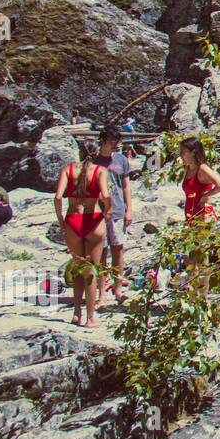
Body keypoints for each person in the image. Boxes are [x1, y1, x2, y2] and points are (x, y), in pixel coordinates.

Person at [53, 137, 111, 328]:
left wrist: (61, 220)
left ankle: (77, 313)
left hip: (73, 220)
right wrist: (107, 211)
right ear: (96, 153)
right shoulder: (100, 171)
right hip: (93, 220)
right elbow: (105, 195)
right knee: (91, 269)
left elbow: (58, 197)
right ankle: (90, 317)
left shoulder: (68, 170)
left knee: (78, 267)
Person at [180, 137, 220, 300]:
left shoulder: (202, 168)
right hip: (190, 214)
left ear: (193, 152)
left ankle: (202, 296)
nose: (182, 155)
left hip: (202, 215)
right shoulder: (188, 168)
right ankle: (193, 293)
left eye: (184, 152)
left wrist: (206, 195)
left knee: (201, 256)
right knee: (190, 256)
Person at [95, 125, 133, 305]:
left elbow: (126, 186)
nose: (116, 146)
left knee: (118, 249)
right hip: (98, 213)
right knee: (101, 252)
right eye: (112, 142)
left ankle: (118, 289)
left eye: (117, 142)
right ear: (102, 141)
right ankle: (101, 292)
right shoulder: (93, 161)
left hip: (118, 210)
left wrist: (129, 209)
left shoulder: (121, 160)